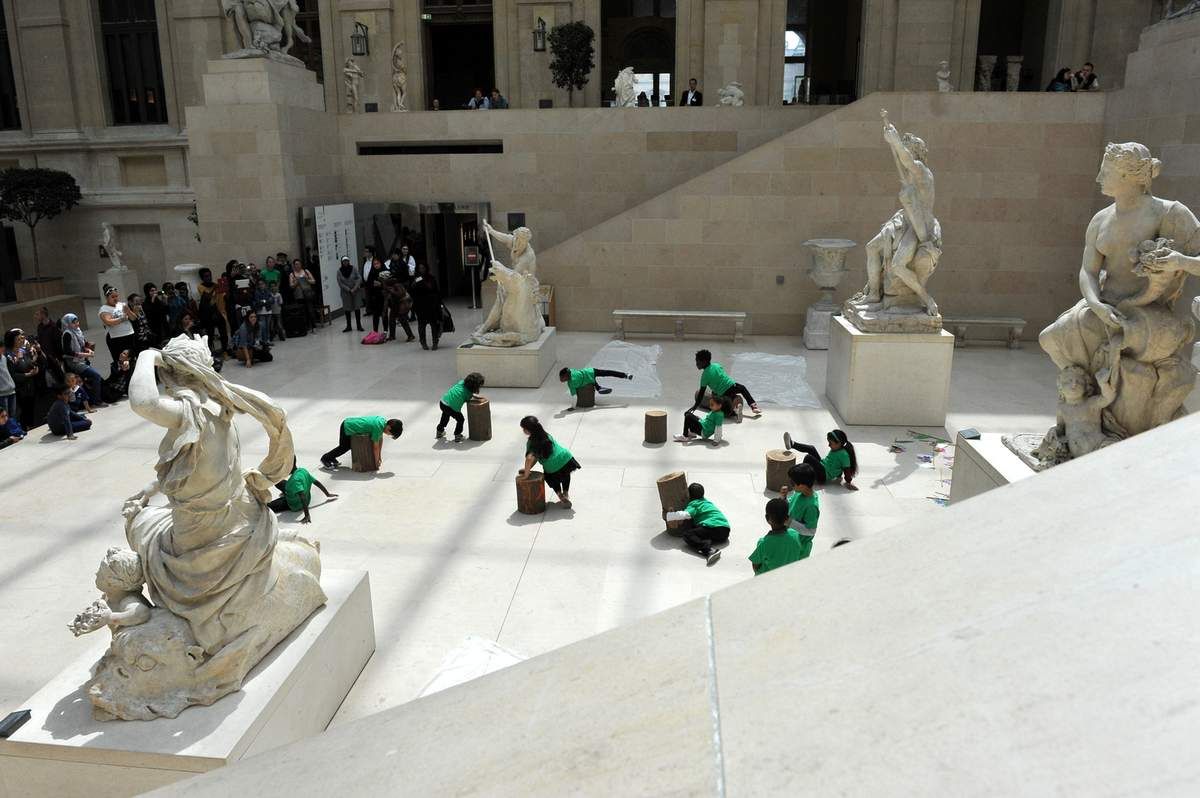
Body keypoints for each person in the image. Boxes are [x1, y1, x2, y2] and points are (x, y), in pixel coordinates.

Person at [519, 416, 580, 509]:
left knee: (551, 478)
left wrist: (526, 474)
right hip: (566, 457)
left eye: (524, 428)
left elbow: (529, 458)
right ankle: (566, 493)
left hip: (552, 467)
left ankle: (560, 495)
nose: (523, 430)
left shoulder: (532, 443)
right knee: (565, 473)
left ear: (528, 430)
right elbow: (535, 458)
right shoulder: (546, 435)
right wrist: (528, 468)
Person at [664, 483, 729, 566]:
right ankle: (706, 542)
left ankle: (709, 551)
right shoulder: (706, 502)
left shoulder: (694, 503)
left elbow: (685, 514)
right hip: (725, 531)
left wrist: (668, 515)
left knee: (688, 534)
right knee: (698, 530)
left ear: (689, 495)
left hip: (714, 527)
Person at [690, 349, 760, 419]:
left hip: (722, 393)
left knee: (718, 402)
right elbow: (722, 376)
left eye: (698, 361)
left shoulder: (704, 376)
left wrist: (695, 406)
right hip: (732, 385)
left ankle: (734, 411)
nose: (696, 364)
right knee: (743, 388)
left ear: (704, 362)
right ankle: (753, 406)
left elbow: (701, 393)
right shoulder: (716, 365)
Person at [749, 498, 809, 576]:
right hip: (790, 577)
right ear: (787, 518)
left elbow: (755, 566)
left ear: (767, 518)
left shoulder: (764, 543)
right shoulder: (796, 536)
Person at [782, 429, 859, 490]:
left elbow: (846, 469)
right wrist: (838, 475)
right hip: (823, 466)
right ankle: (792, 444)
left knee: (808, 458)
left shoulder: (844, 455)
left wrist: (848, 482)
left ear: (839, 443)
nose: (828, 445)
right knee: (811, 448)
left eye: (830, 443)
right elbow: (837, 464)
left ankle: (802, 476)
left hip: (823, 476)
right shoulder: (837, 449)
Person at [320, 415, 403, 470]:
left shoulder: (382, 422)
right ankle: (325, 458)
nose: (388, 435)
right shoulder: (378, 427)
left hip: (349, 423)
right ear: (388, 428)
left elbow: (380, 440)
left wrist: (379, 457)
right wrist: (376, 462)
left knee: (346, 446)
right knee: (344, 447)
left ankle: (331, 457)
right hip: (347, 426)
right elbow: (376, 447)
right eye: (390, 434)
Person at [268, 460, 337, 524]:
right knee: (277, 481)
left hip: (294, 504)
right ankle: (287, 492)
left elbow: (302, 496)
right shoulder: (302, 471)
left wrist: (307, 515)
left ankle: (286, 496)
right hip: (303, 497)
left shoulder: (295, 481)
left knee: (267, 506)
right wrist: (327, 494)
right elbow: (316, 482)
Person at [4, 328, 43, 429]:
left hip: (30, 387)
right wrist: (28, 374)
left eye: (22, 338)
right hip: (18, 390)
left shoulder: (23, 351)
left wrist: (34, 363)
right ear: (11, 340)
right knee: (22, 413)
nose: (22, 340)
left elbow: (29, 363)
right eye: (18, 339)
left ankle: (31, 427)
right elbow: (12, 375)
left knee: (31, 411)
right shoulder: (8, 355)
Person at [780, 464, 820, 559]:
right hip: (790, 540)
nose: (791, 485)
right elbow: (790, 505)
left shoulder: (811, 506)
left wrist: (789, 522)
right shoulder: (799, 493)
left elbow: (811, 531)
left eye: (792, 483)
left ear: (802, 485)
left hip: (800, 547)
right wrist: (783, 498)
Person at [437, 372, 484, 442]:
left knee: (445, 415)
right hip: (451, 408)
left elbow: (461, 392)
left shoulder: (461, 382)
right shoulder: (468, 394)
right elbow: (468, 399)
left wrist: (472, 395)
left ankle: (439, 431)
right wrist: (475, 397)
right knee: (460, 419)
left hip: (443, 402)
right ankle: (457, 434)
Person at [98, 285, 137, 370]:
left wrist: (128, 311)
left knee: (131, 359)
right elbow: (108, 322)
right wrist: (122, 319)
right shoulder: (104, 309)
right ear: (107, 297)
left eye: (116, 296)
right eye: (112, 297)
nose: (115, 298)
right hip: (116, 338)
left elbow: (133, 318)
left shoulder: (122, 305)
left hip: (129, 334)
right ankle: (122, 380)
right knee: (121, 361)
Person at [410, 262, 443, 350]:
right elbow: (412, 289)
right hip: (420, 305)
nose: (421, 270)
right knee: (421, 325)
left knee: (433, 324)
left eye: (423, 268)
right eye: (420, 268)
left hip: (431, 304)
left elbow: (435, 290)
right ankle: (423, 342)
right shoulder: (417, 278)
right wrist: (417, 282)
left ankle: (435, 342)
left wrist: (439, 303)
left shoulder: (431, 278)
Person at [558, 366, 633, 399]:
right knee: (608, 372)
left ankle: (598, 388)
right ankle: (625, 375)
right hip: (590, 371)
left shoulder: (572, 383)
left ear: (566, 376)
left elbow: (574, 394)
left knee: (593, 381)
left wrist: (573, 406)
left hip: (590, 376)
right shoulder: (571, 371)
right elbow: (567, 369)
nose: (561, 380)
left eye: (562, 378)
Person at [289, 258, 319, 332]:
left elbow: (314, 281)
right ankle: (304, 327)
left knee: (310, 310)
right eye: (296, 264)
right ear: (293, 265)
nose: (297, 265)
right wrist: (297, 282)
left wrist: (306, 279)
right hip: (298, 295)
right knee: (302, 311)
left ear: (301, 264)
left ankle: (313, 326)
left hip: (308, 294)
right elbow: (291, 286)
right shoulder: (292, 274)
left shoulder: (306, 271)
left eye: (298, 264)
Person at [337, 256, 365, 332]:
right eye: (344, 261)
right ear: (342, 262)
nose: (345, 262)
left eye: (347, 261)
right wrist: (349, 290)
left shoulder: (354, 268)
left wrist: (354, 288)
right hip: (346, 293)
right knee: (347, 309)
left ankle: (359, 325)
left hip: (355, 291)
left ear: (349, 261)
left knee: (357, 308)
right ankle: (348, 326)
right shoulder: (339, 271)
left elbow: (359, 278)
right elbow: (340, 283)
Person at [383, 277, 415, 342]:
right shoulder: (390, 287)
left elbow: (400, 294)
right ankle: (392, 336)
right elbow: (387, 300)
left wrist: (392, 291)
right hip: (396, 304)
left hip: (402, 304)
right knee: (392, 319)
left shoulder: (397, 286)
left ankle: (410, 335)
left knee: (402, 320)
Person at [365, 255, 388, 333]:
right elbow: (368, 284)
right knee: (375, 315)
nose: (376, 265)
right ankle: (375, 331)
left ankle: (385, 331)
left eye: (377, 263)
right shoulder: (372, 273)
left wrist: (381, 284)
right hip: (375, 297)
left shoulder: (386, 271)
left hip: (384, 297)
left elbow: (391, 283)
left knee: (384, 314)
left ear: (381, 263)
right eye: (374, 264)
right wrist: (373, 284)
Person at [252, 278, 274, 346]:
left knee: (268, 327)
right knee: (262, 327)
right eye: (260, 284)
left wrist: (263, 301)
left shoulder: (268, 291)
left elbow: (272, 300)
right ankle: (260, 340)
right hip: (260, 312)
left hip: (268, 311)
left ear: (265, 284)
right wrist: (266, 301)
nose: (261, 285)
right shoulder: (256, 292)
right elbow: (258, 302)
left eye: (262, 284)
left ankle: (267, 340)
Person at [0, 336, 14, 420]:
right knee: (5, 417)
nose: (3, 349)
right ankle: (7, 433)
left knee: (13, 415)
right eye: (1, 347)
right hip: (2, 394)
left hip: (11, 390)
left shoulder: (4, 358)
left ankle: (14, 430)